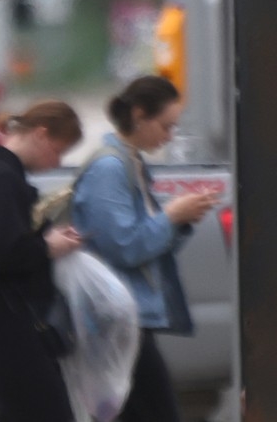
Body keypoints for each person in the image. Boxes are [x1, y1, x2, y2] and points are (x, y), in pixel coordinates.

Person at [71, 76, 217, 422]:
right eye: (166, 126)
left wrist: (179, 220)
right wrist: (172, 217)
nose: (169, 136)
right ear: (139, 115)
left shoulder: (131, 164)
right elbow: (124, 246)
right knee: (157, 411)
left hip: (128, 316)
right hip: (118, 317)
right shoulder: (110, 168)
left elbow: (142, 243)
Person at [0, 100, 85, 422]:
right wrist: (48, 246)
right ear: (41, 134)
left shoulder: (4, 176)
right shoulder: (1, 179)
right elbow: (5, 251)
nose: (56, 162)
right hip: (5, 324)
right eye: (57, 151)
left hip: (6, 322)